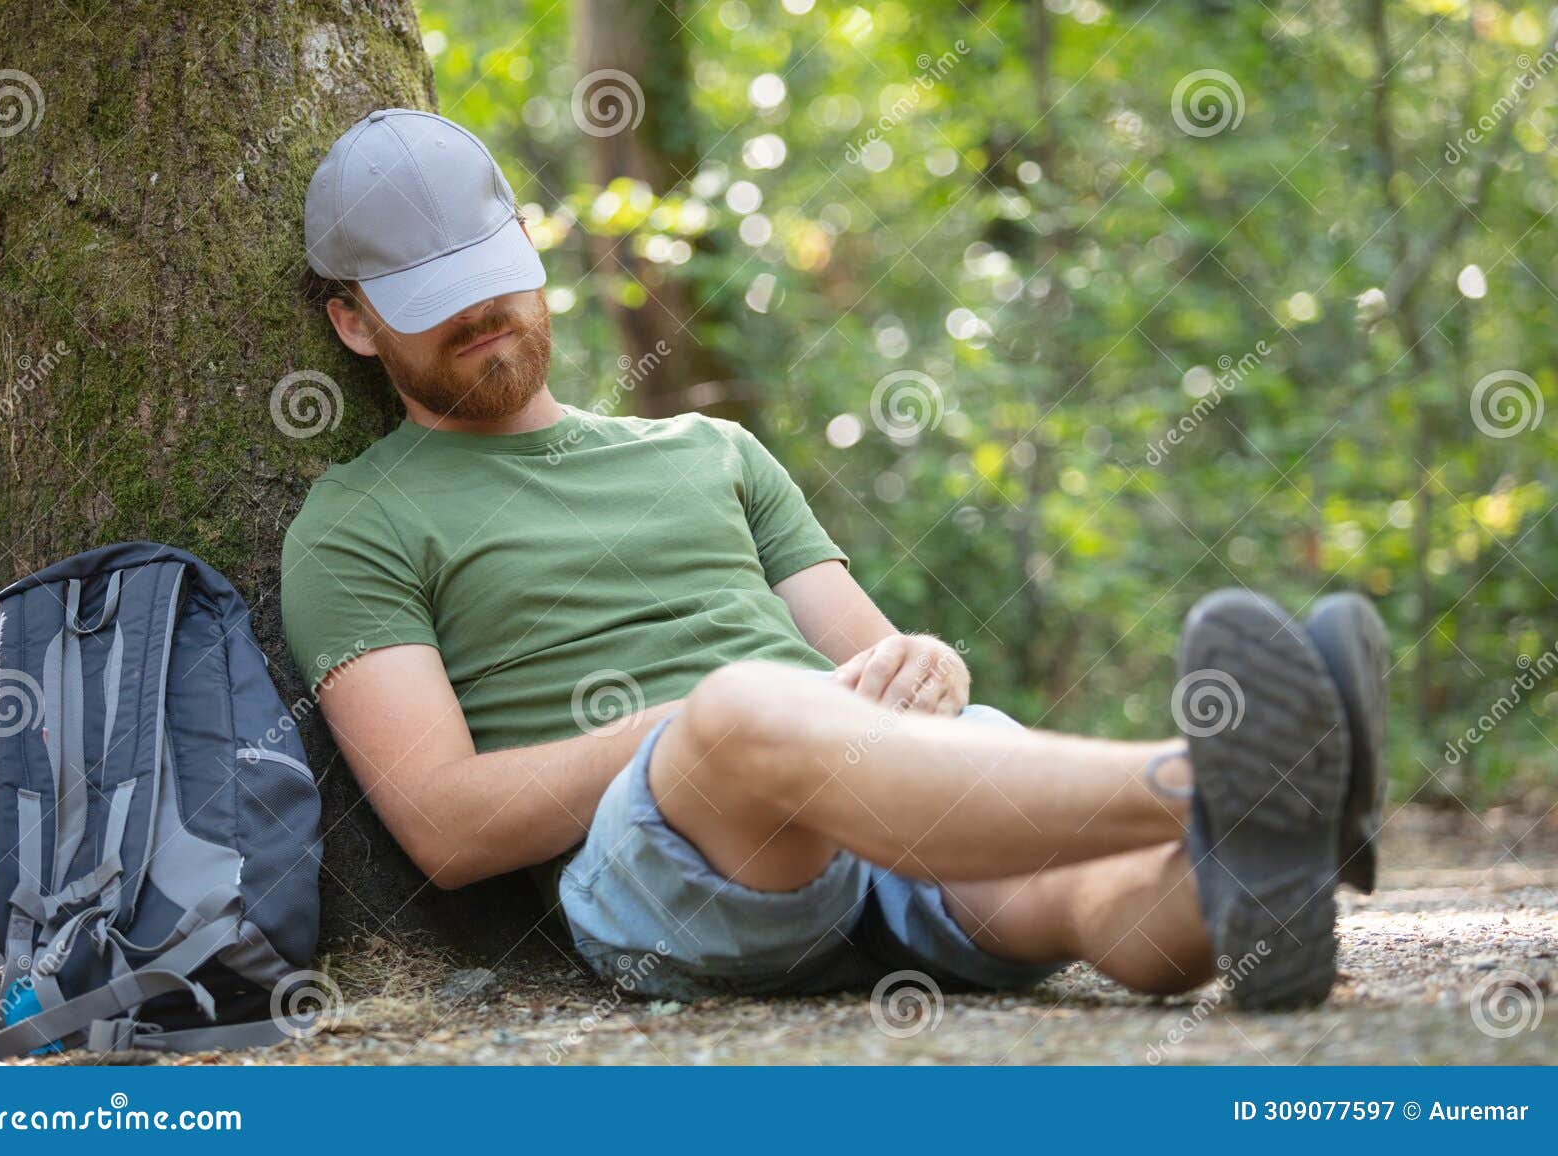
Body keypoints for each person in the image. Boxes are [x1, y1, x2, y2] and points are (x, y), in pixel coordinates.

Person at [282, 109, 1388, 1008]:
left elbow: (882, 666)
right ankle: (1250, 775)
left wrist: (927, 666)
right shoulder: (356, 521)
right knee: (742, 714)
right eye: (433, 301)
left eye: (491, 270)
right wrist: (682, 720)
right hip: (683, 856)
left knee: (1085, 897)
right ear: (354, 322)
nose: (481, 313)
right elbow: (444, 823)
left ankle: (1254, 858)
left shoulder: (709, 449)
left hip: (879, 796)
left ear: (527, 243)